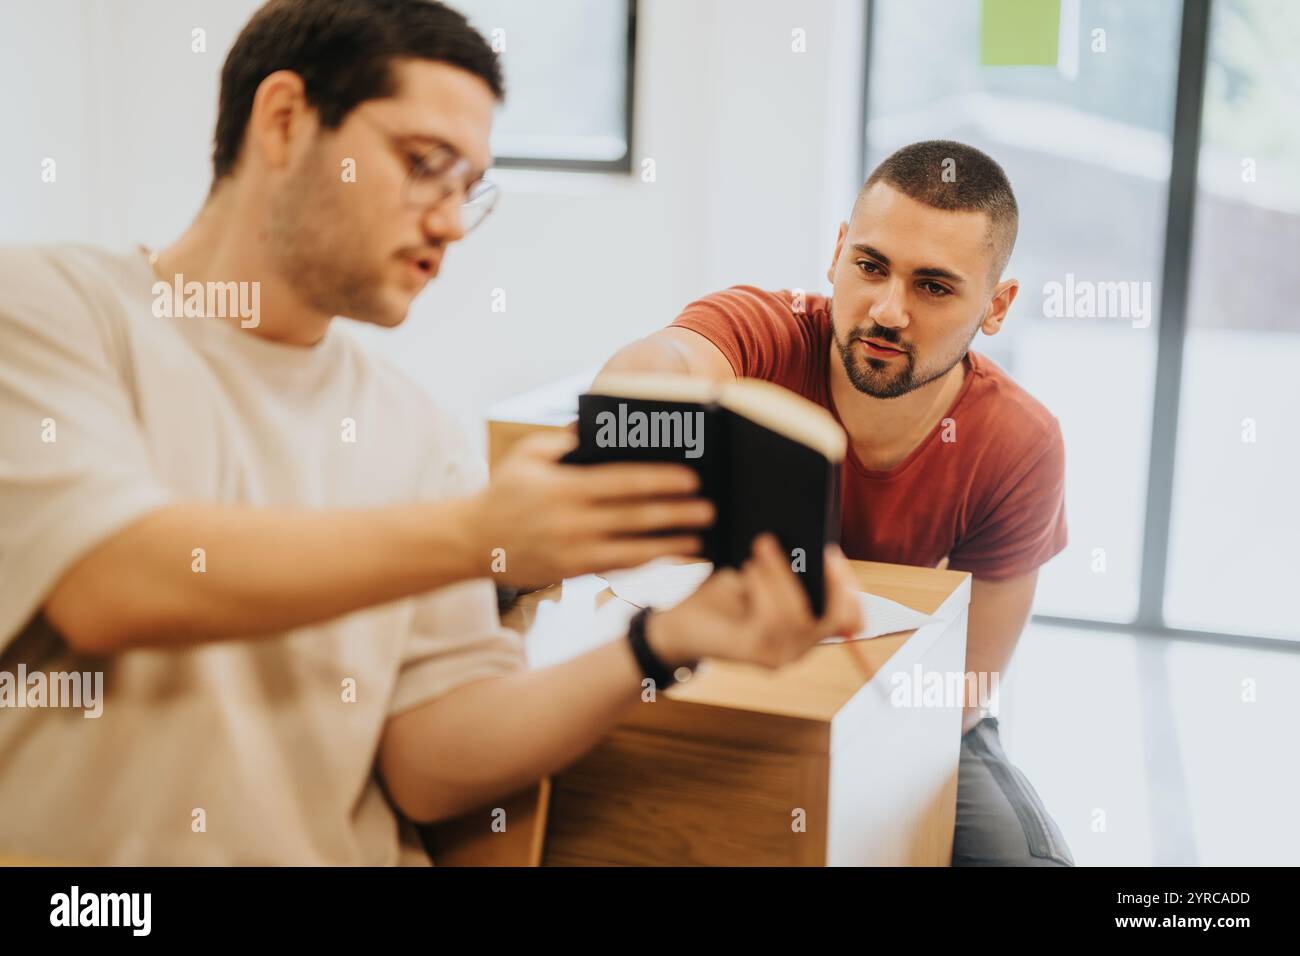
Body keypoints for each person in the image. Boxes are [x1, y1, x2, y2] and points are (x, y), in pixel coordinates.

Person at [0, 0, 861, 865]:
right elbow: (108, 580)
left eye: (468, 190)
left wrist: (660, 646)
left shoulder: (411, 428)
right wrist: (478, 536)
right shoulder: (52, 311)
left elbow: (428, 766)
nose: (450, 223)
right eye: (424, 166)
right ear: (286, 121)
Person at [602, 140, 1075, 866]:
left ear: (997, 305)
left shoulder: (1018, 442)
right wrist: (647, 398)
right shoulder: (763, 329)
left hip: (912, 711)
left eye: (935, 288)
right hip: (714, 671)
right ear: (837, 253)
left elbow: (967, 685)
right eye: (871, 266)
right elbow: (653, 373)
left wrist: (837, 765)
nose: (888, 312)